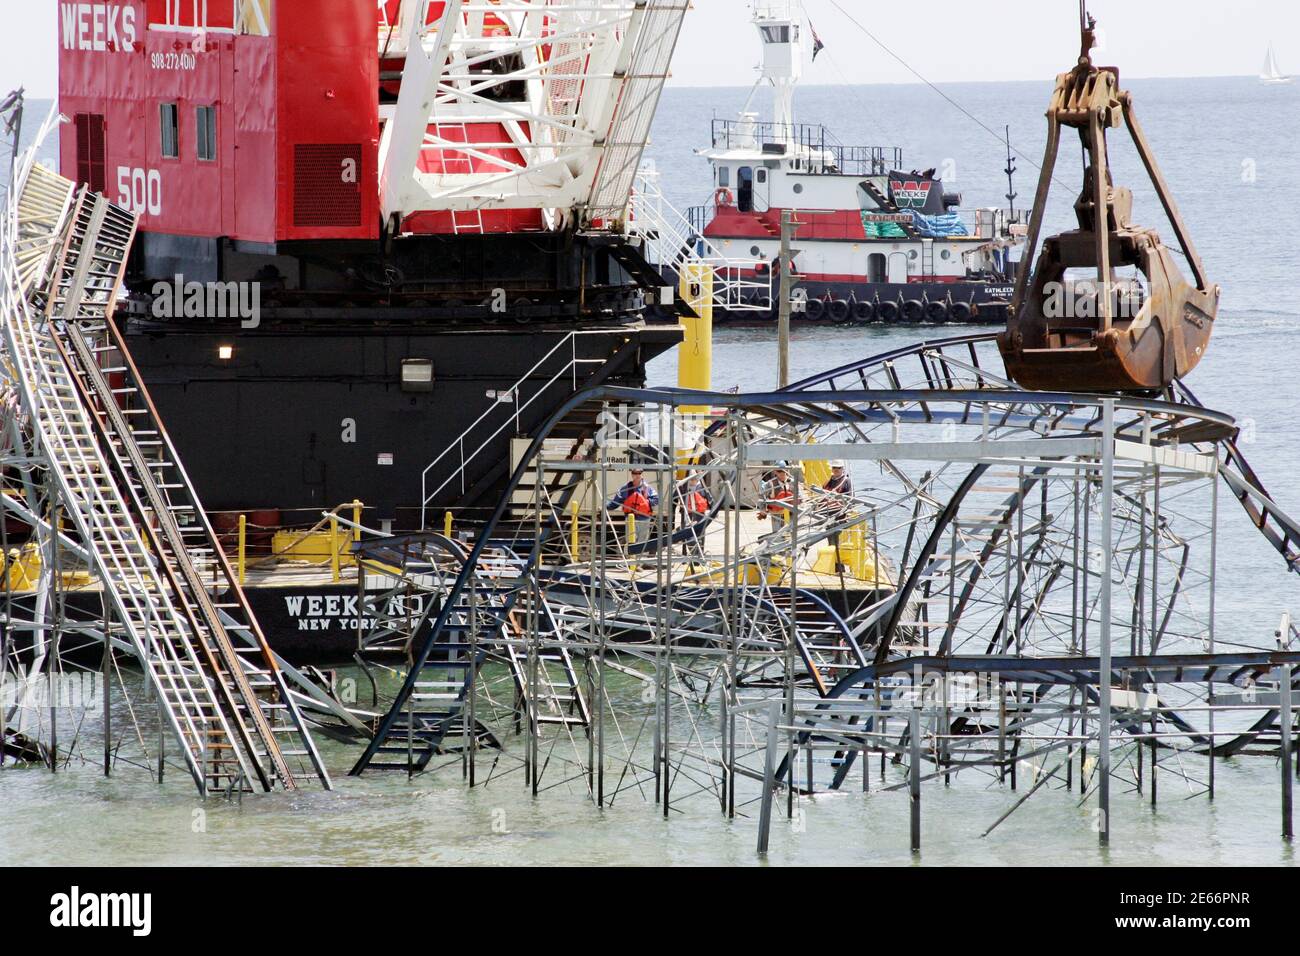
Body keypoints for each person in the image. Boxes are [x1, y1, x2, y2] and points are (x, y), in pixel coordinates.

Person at [757, 465, 795, 532]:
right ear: (775, 472)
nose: (782, 475)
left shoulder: (792, 482)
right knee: (777, 535)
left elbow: (800, 496)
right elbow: (761, 495)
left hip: (791, 513)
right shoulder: (770, 484)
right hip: (776, 514)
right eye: (780, 473)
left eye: (784, 472)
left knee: (791, 534)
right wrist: (763, 509)